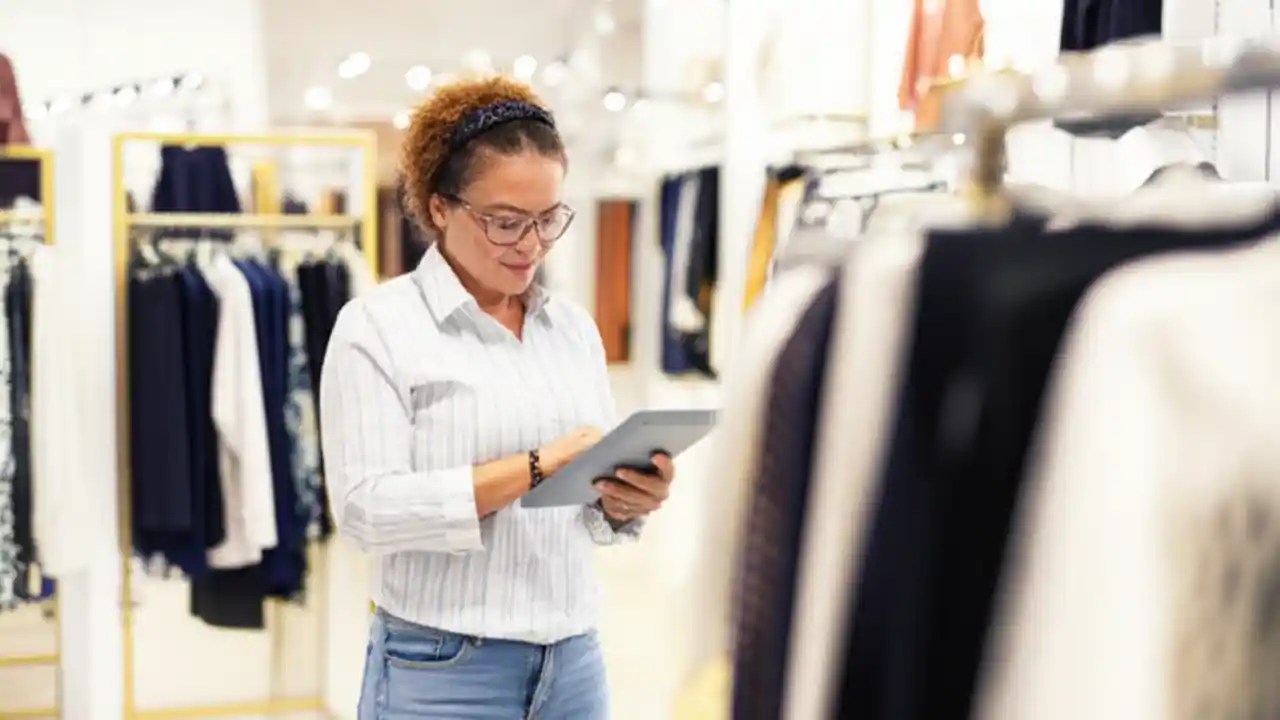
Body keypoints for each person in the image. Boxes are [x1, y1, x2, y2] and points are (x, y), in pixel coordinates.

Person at [319, 77, 677, 718]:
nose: (532, 245)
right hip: (443, 671)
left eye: (548, 220)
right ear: (438, 208)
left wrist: (626, 499)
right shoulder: (378, 327)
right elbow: (365, 511)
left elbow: (588, 516)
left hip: (572, 664)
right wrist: (535, 466)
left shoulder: (570, 328)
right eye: (506, 222)